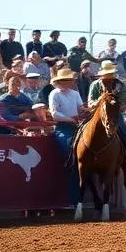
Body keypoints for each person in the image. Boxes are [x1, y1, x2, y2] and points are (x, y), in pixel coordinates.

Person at [48, 68, 87, 212]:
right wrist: (70, 120)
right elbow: (54, 114)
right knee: (72, 155)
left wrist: (85, 111)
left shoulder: (74, 94)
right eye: (69, 80)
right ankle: (74, 200)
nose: (72, 82)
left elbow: (80, 108)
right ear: (62, 81)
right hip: (63, 128)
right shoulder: (54, 94)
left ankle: (77, 200)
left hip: (75, 127)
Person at [87, 62, 126, 158]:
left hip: (115, 114)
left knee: (125, 131)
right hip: (97, 113)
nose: (108, 76)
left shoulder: (119, 84)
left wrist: (115, 108)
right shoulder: (95, 85)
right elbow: (90, 103)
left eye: (110, 74)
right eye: (107, 74)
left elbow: (125, 101)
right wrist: (100, 101)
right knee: (82, 130)